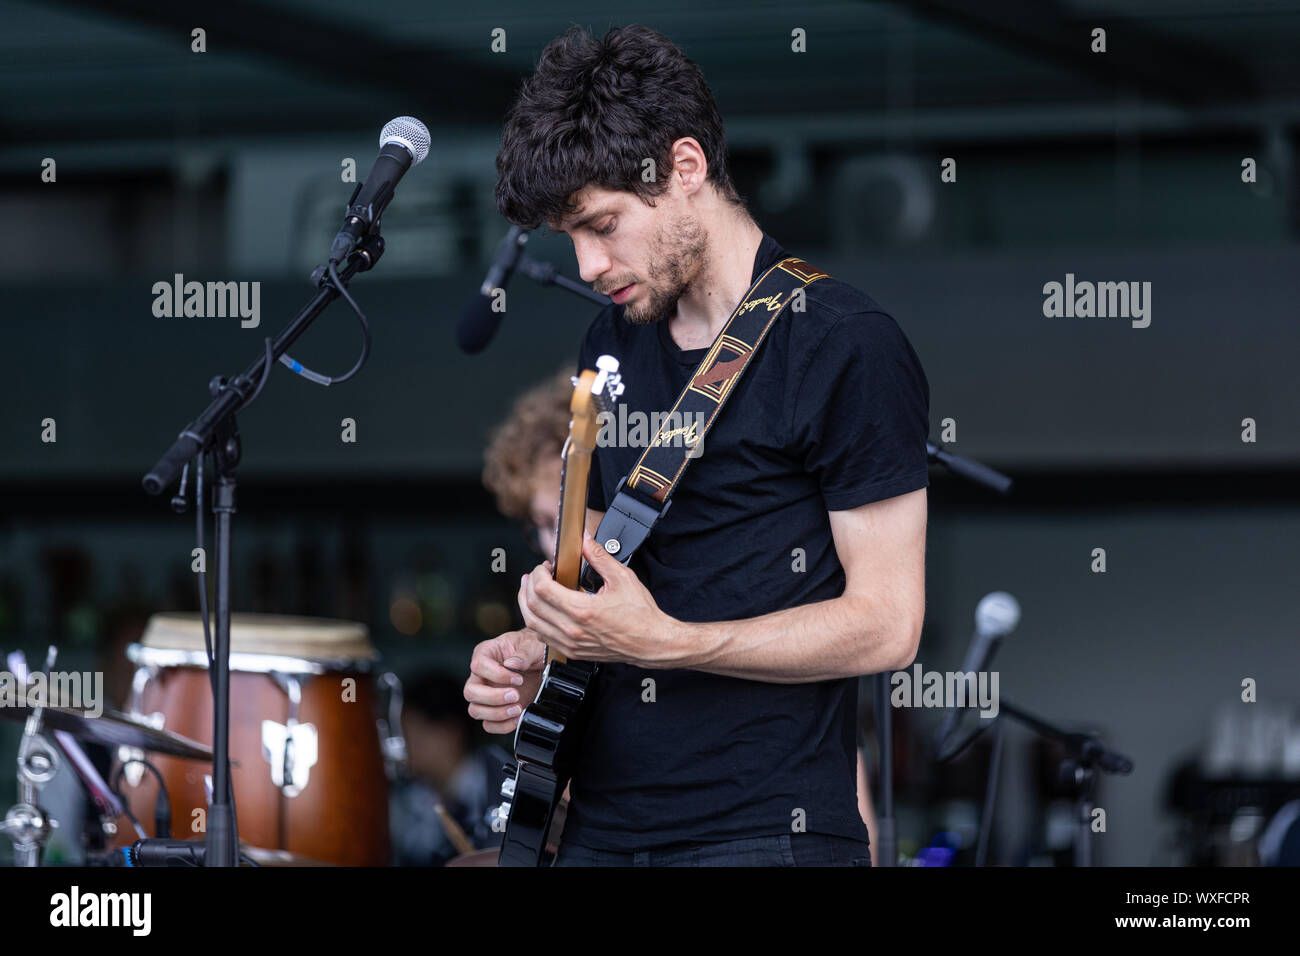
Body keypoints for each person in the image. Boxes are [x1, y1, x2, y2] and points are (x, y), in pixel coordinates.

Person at [465, 24, 926, 866]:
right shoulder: (610, 340)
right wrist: (542, 647)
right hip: (599, 826)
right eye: (569, 238)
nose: (588, 264)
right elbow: (604, 573)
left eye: (603, 224)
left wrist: (668, 642)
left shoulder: (844, 342)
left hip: (766, 831)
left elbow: (888, 625)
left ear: (684, 167)